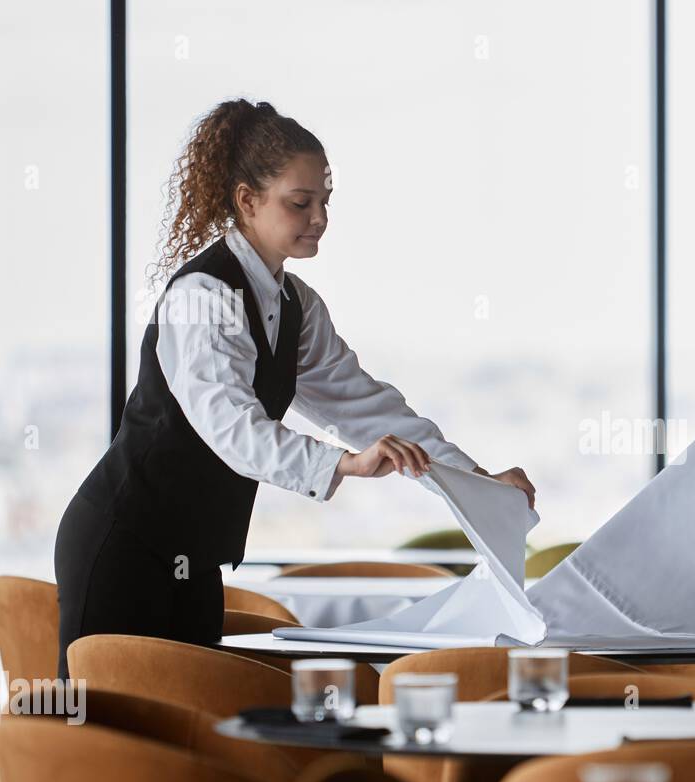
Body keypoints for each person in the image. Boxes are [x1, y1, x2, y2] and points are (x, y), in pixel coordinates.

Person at [53, 98, 534, 679]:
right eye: (299, 203)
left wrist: (476, 480)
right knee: (114, 745)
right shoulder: (204, 298)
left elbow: (368, 407)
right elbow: (232, 427)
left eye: (324, 201)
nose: (319, 218)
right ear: (247, 202)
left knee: (197, 737)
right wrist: (345, 465)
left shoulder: (295, 304)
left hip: (194, 557)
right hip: (123, 545)